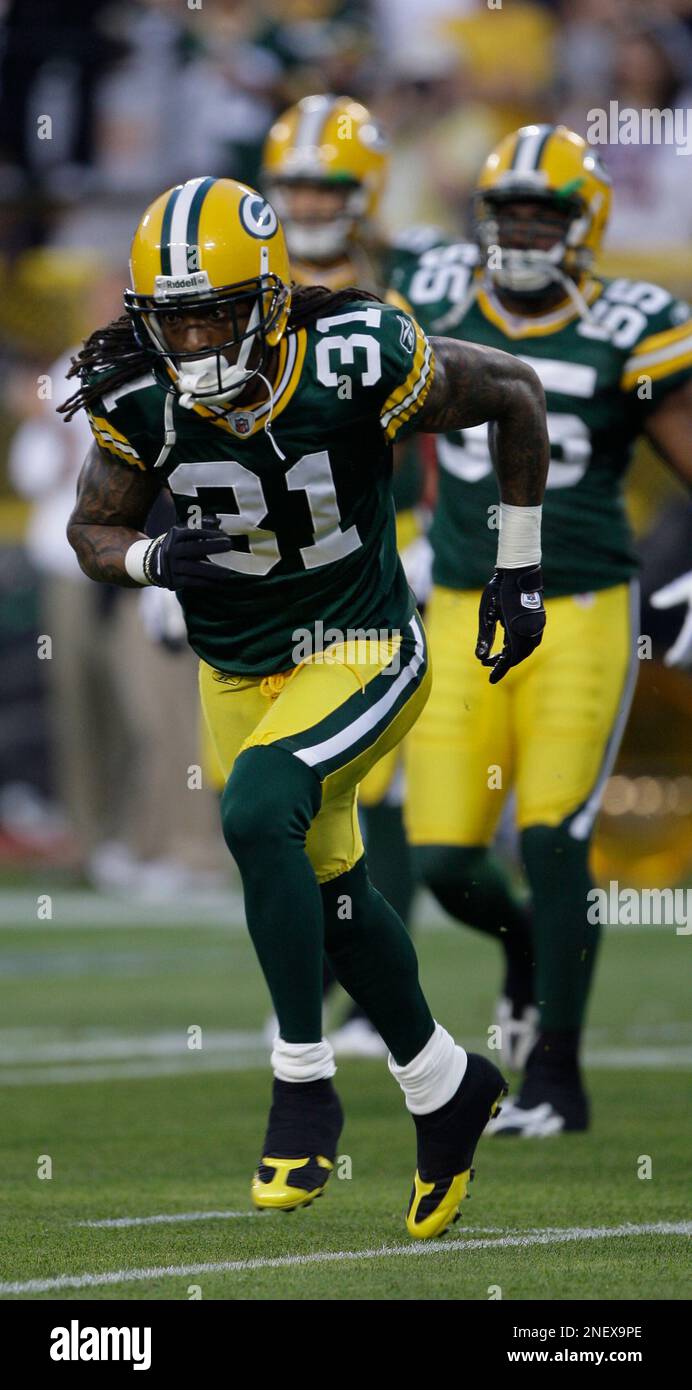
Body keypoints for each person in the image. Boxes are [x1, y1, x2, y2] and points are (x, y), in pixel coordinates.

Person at [63, 175, 548, 1237]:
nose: (192, 340)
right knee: (329, 900)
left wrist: (517, 570)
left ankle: (301, 1084)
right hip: (236, 666)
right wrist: (151, 556)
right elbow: (90, 531)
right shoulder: (133, 390)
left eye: (215, 311)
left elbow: (513, 388)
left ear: (272, 300)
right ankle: (441, 1083)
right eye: (172, 317)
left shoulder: (353, 355)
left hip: (362, 642)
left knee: (252, 813)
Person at [389, 124, 692, 1135]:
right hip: (460, 604)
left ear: (584, 223)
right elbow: (365, 428)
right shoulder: (430, 297)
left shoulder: (630, 324)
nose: (520, 230)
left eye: (542, 212)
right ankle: (525, 949)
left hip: (580, 608)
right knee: (439, 859)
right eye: (505, 210)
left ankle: (556, 1077)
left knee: (557, 837)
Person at [263, 91, 443, 1054]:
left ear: (363, 186)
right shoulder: (245, 284)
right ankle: (336, 982)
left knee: (390, 787)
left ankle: (369, 989)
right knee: (303, 788)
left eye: (328, 183)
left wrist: (438, 532)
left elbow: (451, 418)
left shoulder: (406, 279)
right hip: (286, 560)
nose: (312, 201)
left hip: (389, 542)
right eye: (295, 183)